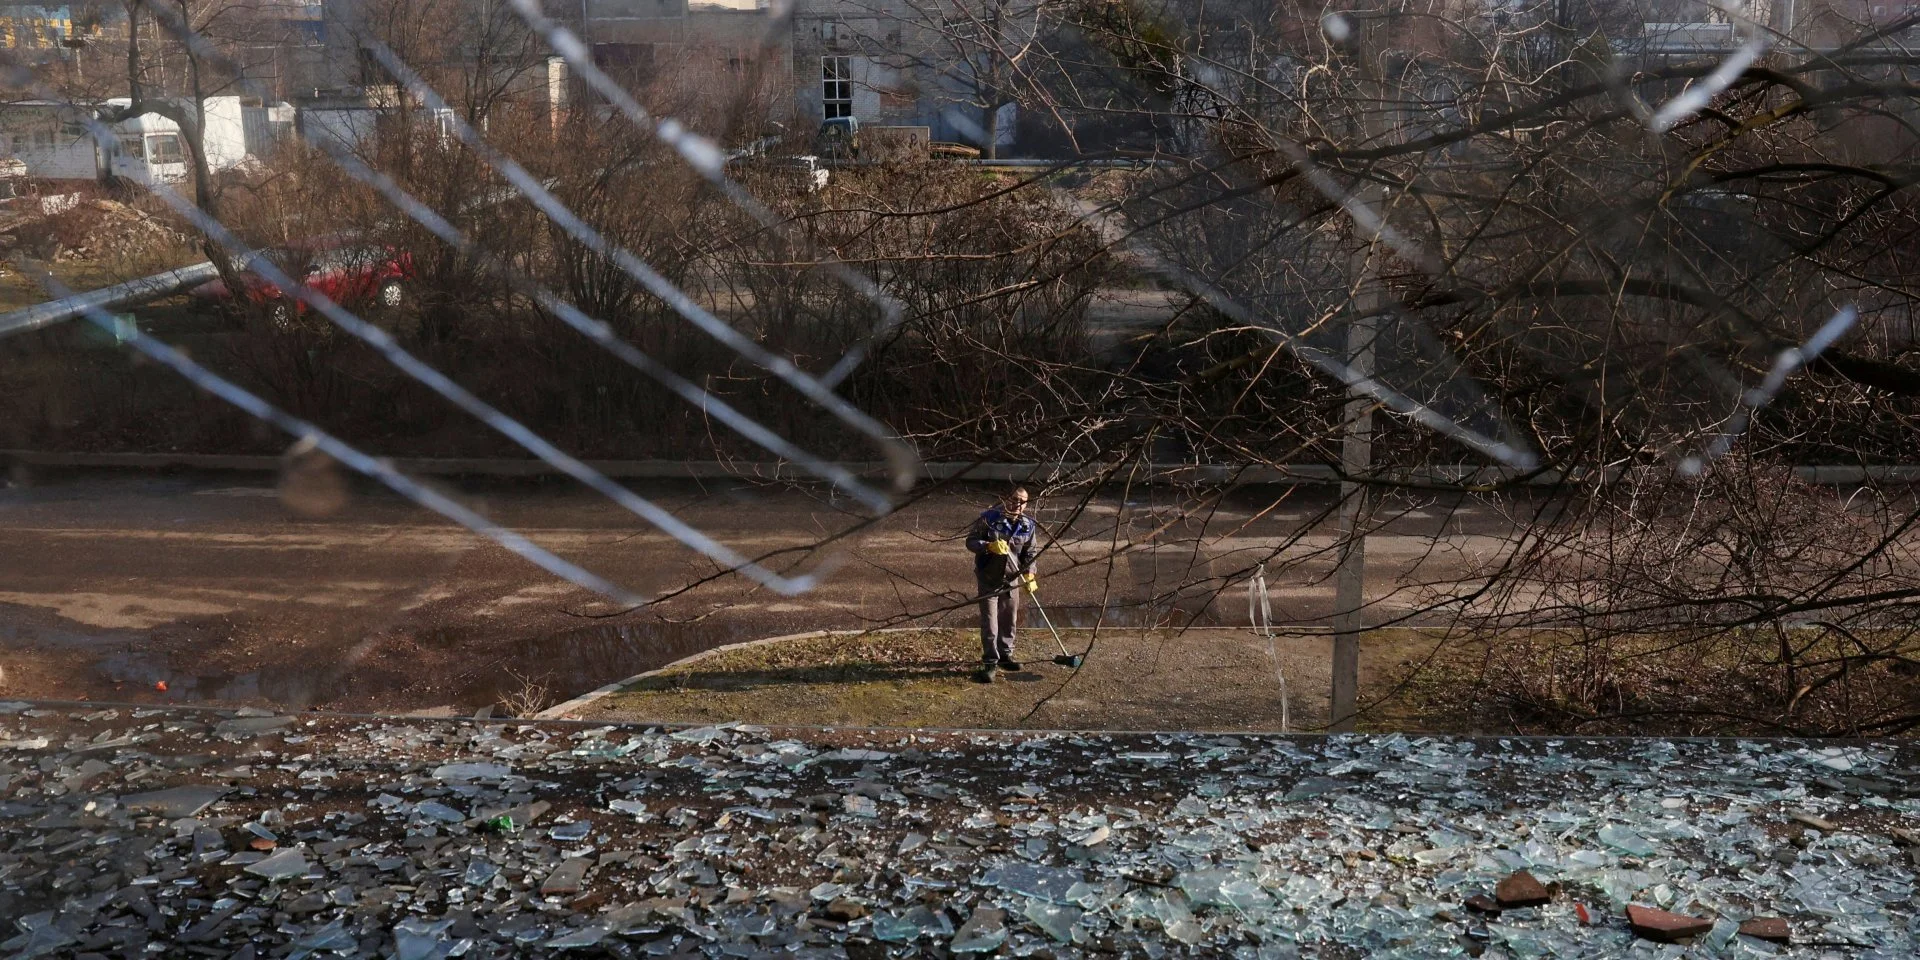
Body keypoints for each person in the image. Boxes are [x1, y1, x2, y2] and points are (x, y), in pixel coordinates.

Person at [965, 486, 1038, 683]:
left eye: (1022, 501)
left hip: (1010, 579)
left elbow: (1029, 553)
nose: (1017, 504)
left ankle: (1006, 655)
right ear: (1006, 498)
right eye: (1014, 499)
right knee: (990, 622)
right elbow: (971, 541)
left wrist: (1030, 575)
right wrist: (988, 545)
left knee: (1009, 619)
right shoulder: (989, 518)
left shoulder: (1028, 525)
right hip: (989, 577)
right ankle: (990, 662)